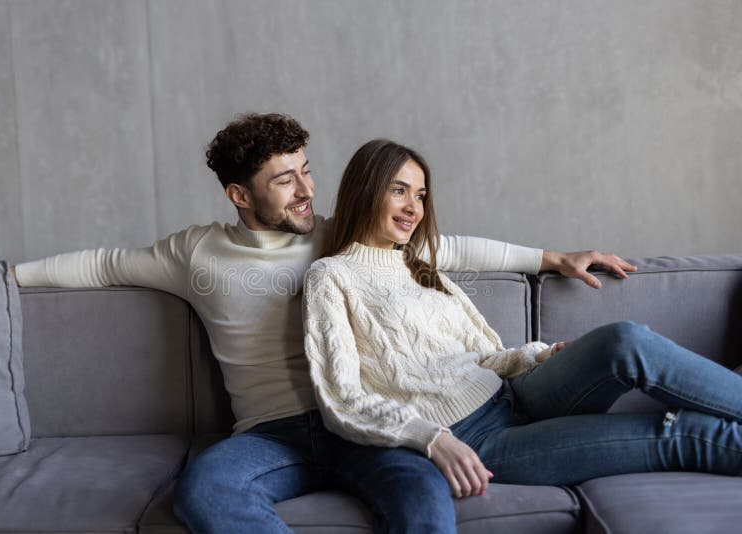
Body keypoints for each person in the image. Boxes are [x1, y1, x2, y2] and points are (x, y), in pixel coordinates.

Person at [11, 113, 635, 533]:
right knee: (204, 492)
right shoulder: (194, 254)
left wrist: (553, 258)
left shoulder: (338, 235)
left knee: (422, 498)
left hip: (366, 417)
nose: (307, 189)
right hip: (271, 435)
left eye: (306, 169)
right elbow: (100, 264)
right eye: (285, 180)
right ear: (239, 195)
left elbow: (448, 247)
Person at [302, 138, 742, 533]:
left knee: (626, 342)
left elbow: (487, 356)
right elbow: (341, 398)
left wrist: (541, 355)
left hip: (517, 393)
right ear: (365, 190)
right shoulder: (332, 276)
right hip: (478, 439)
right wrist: (431, 437)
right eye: (399, 190)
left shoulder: (421, 267)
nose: (414, 207)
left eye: (419, 194)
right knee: (682, 434)